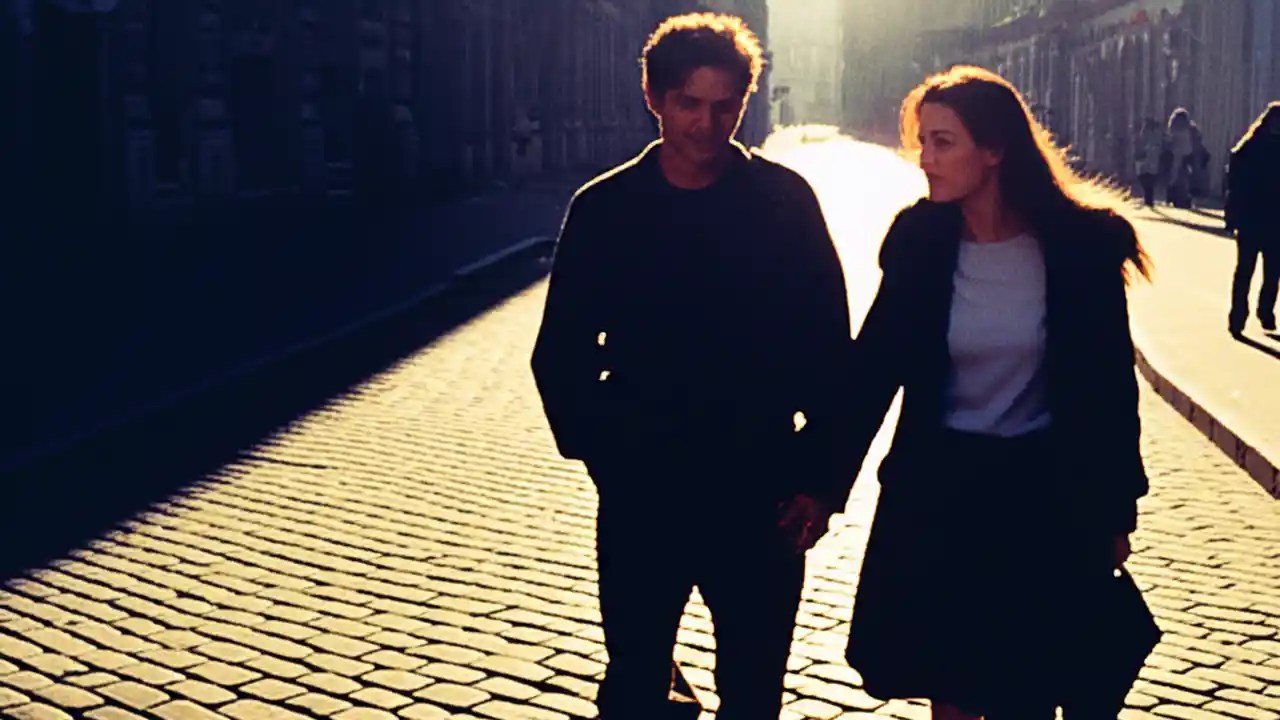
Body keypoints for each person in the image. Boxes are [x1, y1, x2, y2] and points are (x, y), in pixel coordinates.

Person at [530, 13, 853, 720]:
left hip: (760, 486)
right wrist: (606, 452)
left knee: (753, 688)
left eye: (725, 107)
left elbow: (832, 351)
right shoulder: (606, 208)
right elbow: (560, 355)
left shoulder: (783, 202)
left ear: (744, 103)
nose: (707, 125)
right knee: (637, 678)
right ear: (655, 97)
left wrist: (819, 480)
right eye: (689, 104)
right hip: (645, 488)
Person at [840, 66, 1160, 720]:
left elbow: (1108, 391)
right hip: (941, 497)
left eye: (942, 142)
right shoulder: (921, 240)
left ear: (994, 150)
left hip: (1039, 501)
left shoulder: (1081, 247)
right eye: (921, 141)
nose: (924, 159)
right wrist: (817, 481)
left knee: (1027, 695)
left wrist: (1115, 511)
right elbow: (872, 369)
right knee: (951, 694)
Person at [1226, 101, 1280, 334]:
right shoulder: (1248, 149)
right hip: (1255, 219)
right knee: (1247, 271)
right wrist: (1231, 216)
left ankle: (1263, 311)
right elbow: (1234, 187)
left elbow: (1233, 185)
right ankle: (1240, 316)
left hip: (1267, 221)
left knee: (1271, 272)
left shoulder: (1247, 147)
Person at [1165, 107, 1197, 208]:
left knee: (1177, 177)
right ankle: (1183, 198)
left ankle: (1175, 196)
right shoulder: (1190, 129)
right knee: (1184, 179)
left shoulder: (1175, 131)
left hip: (1178, 155)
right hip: (1187, 155)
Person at [1134, 118, 1164, 207]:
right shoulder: (1149, 137)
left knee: (1148, 185)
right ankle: (1148, 200)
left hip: (1148, 167)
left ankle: (1148, 200)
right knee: (1148, 185)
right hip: (1148, 167)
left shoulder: (1150, 138)